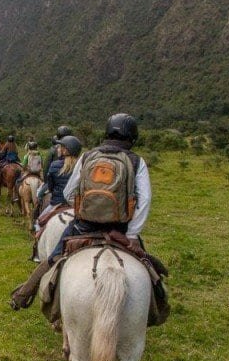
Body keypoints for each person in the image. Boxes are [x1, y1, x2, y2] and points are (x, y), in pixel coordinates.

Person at [10, 114, 150, 310]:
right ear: (133, 138)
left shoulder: (88, 156)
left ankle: (23, 294)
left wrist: (83, 209)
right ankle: (157, 303)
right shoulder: (137, 161)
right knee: (147, 266)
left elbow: (69, 193)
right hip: (121, 229)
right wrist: (133, 234)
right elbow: (144, 200)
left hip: (83, 225)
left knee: (54, 257)